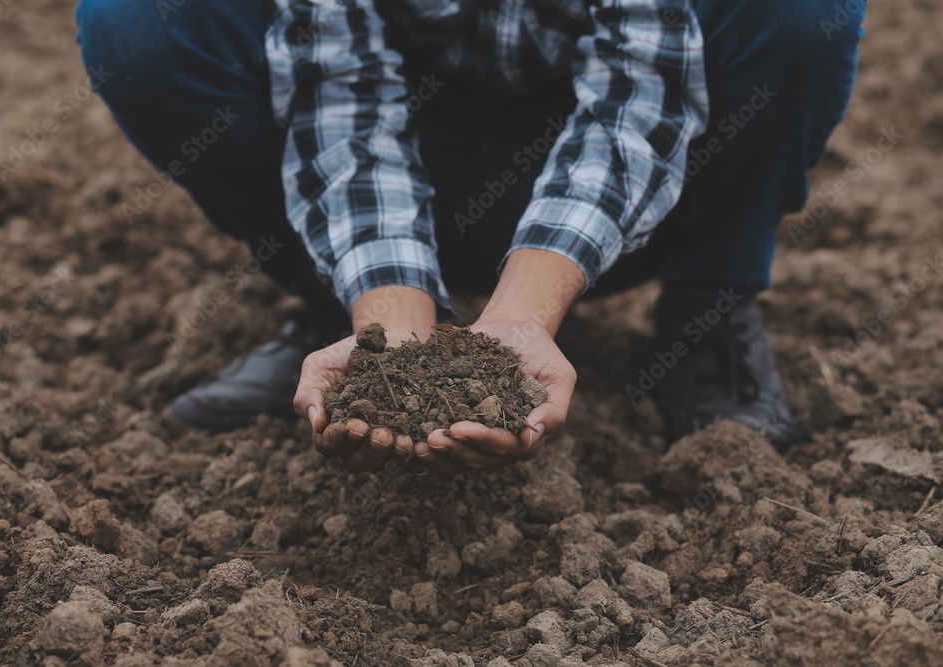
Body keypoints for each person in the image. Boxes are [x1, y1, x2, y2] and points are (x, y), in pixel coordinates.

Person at [75, 0, 865, 474]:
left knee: (801, 14)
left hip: (631, 190)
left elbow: (637, 94)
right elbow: (342, 98)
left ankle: (706, 315)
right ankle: (334, 305)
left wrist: (521, 318)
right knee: (137, 24)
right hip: (419, 157)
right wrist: (391, 335)